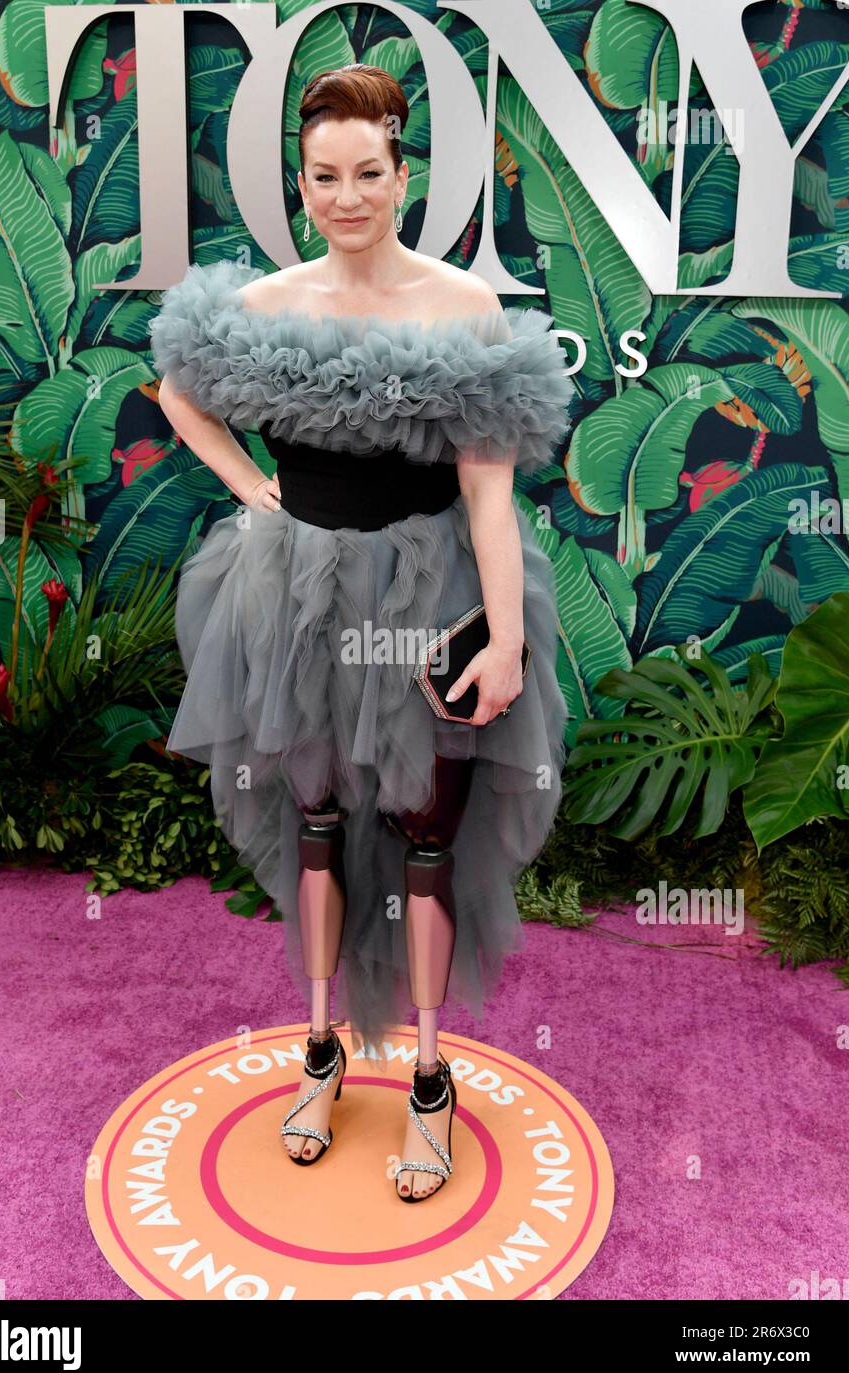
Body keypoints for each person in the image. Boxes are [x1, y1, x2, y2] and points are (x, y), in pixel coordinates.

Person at [149, 64, 573, 1203]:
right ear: (302, 181)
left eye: (368, 173)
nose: (347, 196)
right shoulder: (268, 307)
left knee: (430, 834)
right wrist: (251, 485)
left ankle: (430, 1076)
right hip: (296, 599)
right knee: (320, 830)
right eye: (325, 176)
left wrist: (507, 638)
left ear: (403, 173)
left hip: (433, 594)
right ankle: (323, 1051)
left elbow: (488, 491)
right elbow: (177, 388)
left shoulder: (462, 309)